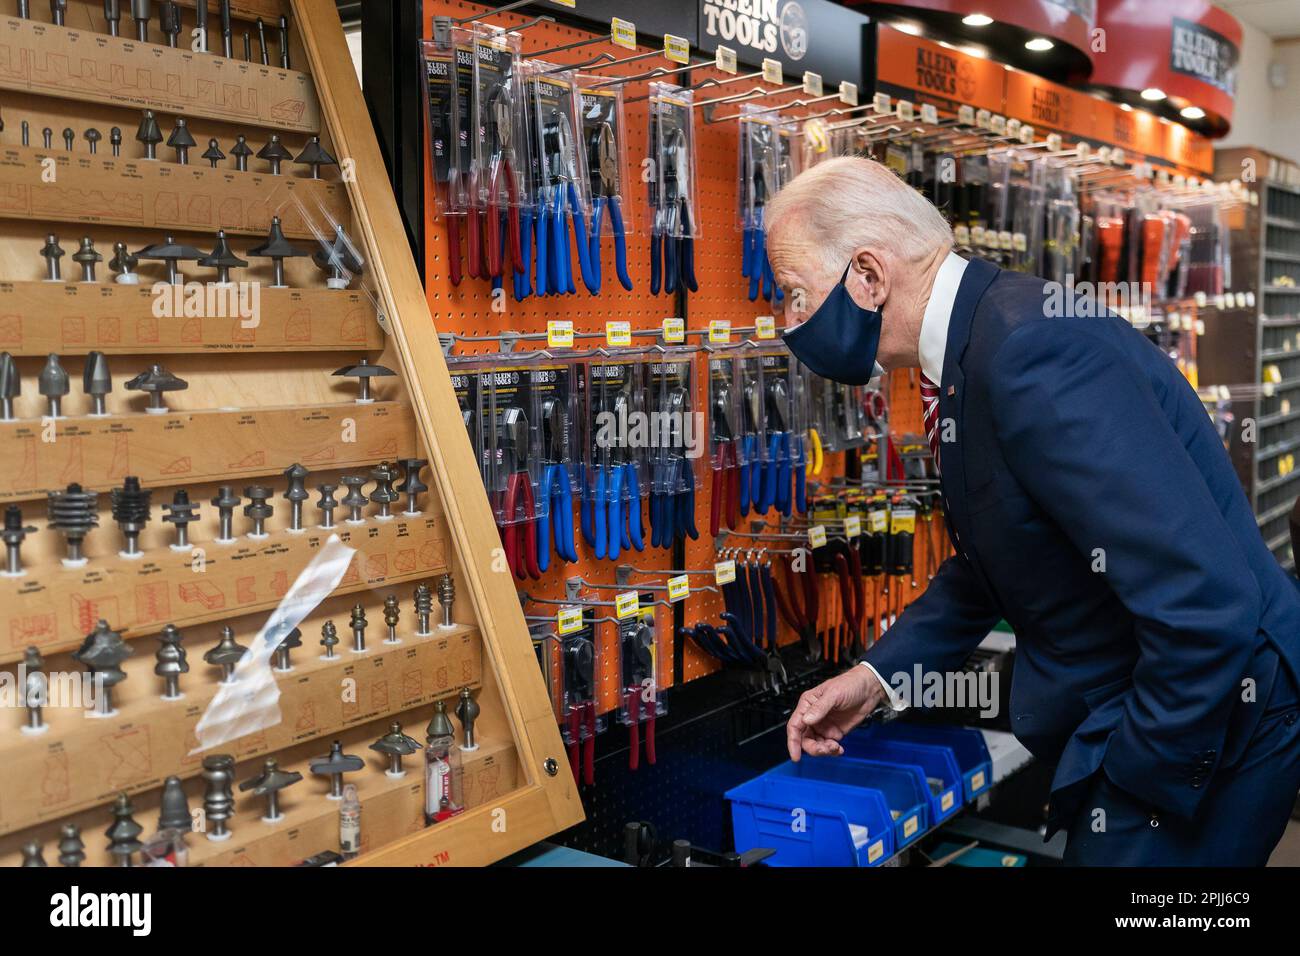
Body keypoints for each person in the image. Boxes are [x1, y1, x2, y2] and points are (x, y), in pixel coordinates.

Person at [773, 156, 1300, 866]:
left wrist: (1133, 776)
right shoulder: (974, 347)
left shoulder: (1029, 353)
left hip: (1213, 725)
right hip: (1166, 707)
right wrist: (877, 677)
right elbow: (996, 557)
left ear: (868, 276)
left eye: (794, 293)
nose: (786, 321)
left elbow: (1204, 601)